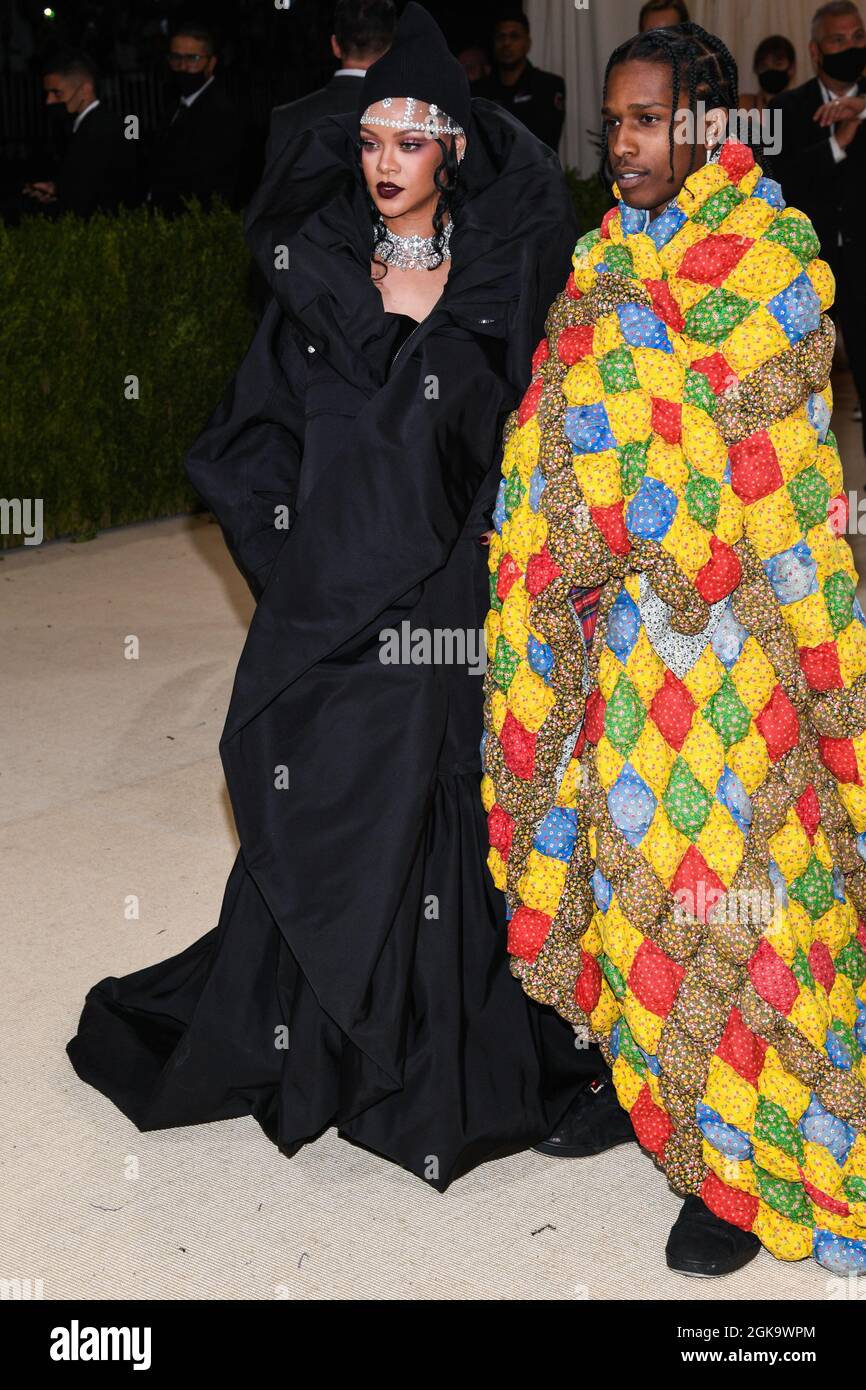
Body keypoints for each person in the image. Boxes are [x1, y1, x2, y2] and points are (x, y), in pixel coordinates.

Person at [66, 3, 591, 1193]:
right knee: (324, 793)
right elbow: (240, 447)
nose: (387, 163)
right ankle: (317, 1040)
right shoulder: (315, 276)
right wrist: (294, 564)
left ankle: (427, 1057)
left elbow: (538, 441)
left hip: (450, 594)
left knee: (433, 785)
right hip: (334, 592)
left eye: (412, 141)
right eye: (370, 141)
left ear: (451, 146)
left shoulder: (501, 280)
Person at [483, 19, 866, 1278]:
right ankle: (642, 1068)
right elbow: (552, 423)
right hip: (614, 638)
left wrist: (630, 440)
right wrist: (585, 464)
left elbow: (749, 457)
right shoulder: (597, 259)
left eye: (646, 120)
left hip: (729, 647)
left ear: (707, 124)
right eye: (614, 124)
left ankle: (743, 1160)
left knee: (727, 890)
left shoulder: (773, 261)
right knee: (614, 853)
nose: (623, 145)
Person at [770, 1, 866, 445]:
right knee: (803, 397)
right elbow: (782, 179)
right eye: (838, 40)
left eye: (859, 37)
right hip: (812, 272)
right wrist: (839, 141)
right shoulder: (790, 107)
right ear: (815, 50)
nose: (851, 47)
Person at [265, 0, 395, 169]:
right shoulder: (409, 117)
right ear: (391, 50)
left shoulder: (287, 119)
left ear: (335, 45)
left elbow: (274, 192)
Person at [21, 48, 139, 218]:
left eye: (57, 93)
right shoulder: (91, 123)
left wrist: (57, 196)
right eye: (48, 93)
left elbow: (93, 193)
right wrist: (56, 188)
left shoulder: (100, 128)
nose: (49, 100)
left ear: (85, 90)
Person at [147, 20, 242, 216]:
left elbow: (216, 184)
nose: (182, 66)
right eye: (175, 58)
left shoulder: (221, 113)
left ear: (211, 63)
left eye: (193, 59)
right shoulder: (175, 105)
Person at [474, 8, 565, 151]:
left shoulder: (548, 85)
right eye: (500, 37)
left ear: (527, 43)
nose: (506, 43)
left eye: (514, 36)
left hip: (536, 171)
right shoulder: (480, 91)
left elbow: (544, 141)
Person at [739, 35, 797, 112]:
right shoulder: (743, 105)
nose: (771, 69)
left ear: (792, 68)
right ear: (756, 69)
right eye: (763, 66)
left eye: (778, 64)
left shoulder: (802, 108)